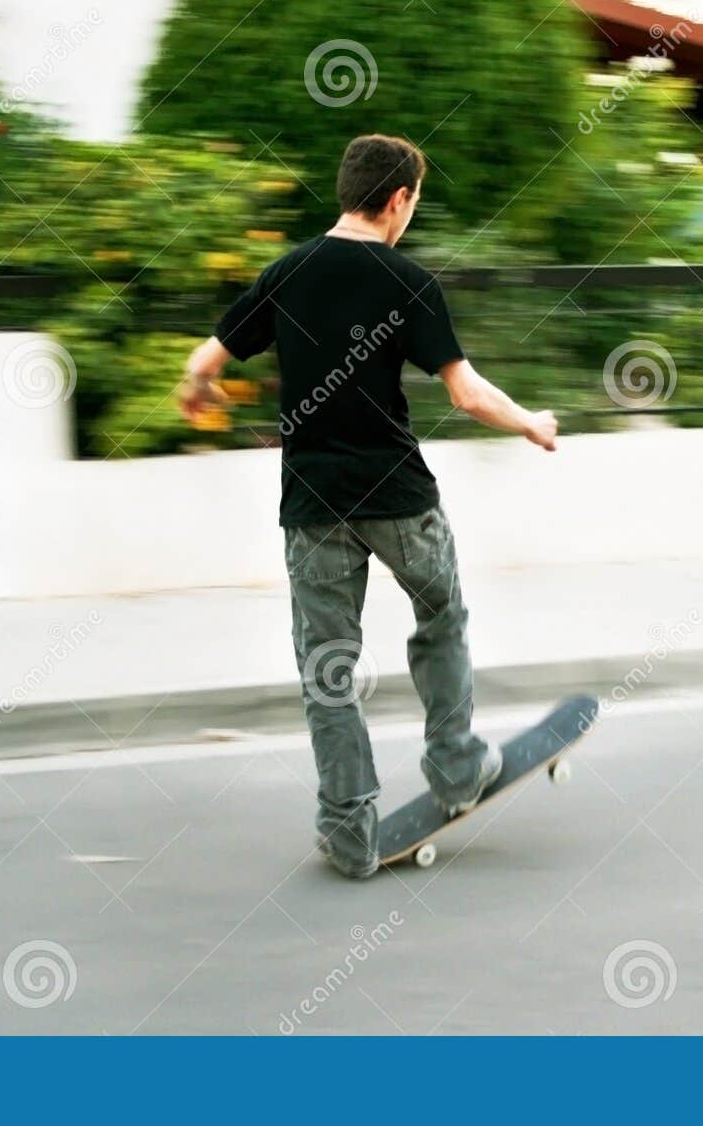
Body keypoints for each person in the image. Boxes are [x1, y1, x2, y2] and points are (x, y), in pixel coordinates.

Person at [178, 134, 559, 879]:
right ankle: (455, 766)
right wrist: (532, 424)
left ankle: (349, 832)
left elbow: (203, 362)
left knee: (328, 667)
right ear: (398, 199)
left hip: (313, 507)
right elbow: (466, 392)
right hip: (399, 499)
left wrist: (201, 391)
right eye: (413, 201)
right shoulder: (407, 280)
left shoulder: (287, 272)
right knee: (441, 618)